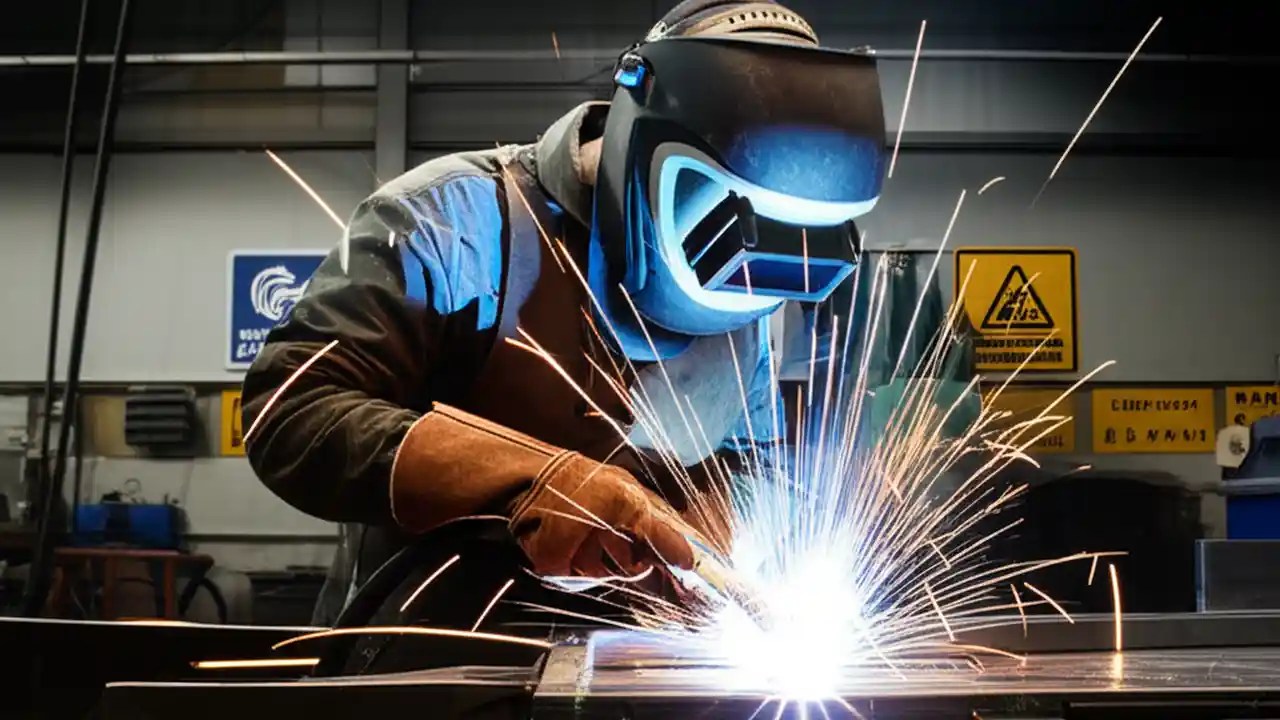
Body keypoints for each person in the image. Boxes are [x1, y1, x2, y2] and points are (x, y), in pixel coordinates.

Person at [242, 0, 888, 629]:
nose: (745, 292)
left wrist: (715, 536)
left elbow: (760, 461)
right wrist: (529, 481)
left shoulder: (758, 273)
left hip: (634, 662)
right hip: (423, 652)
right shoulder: (454, 220)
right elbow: (294, 410)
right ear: (643, 146)